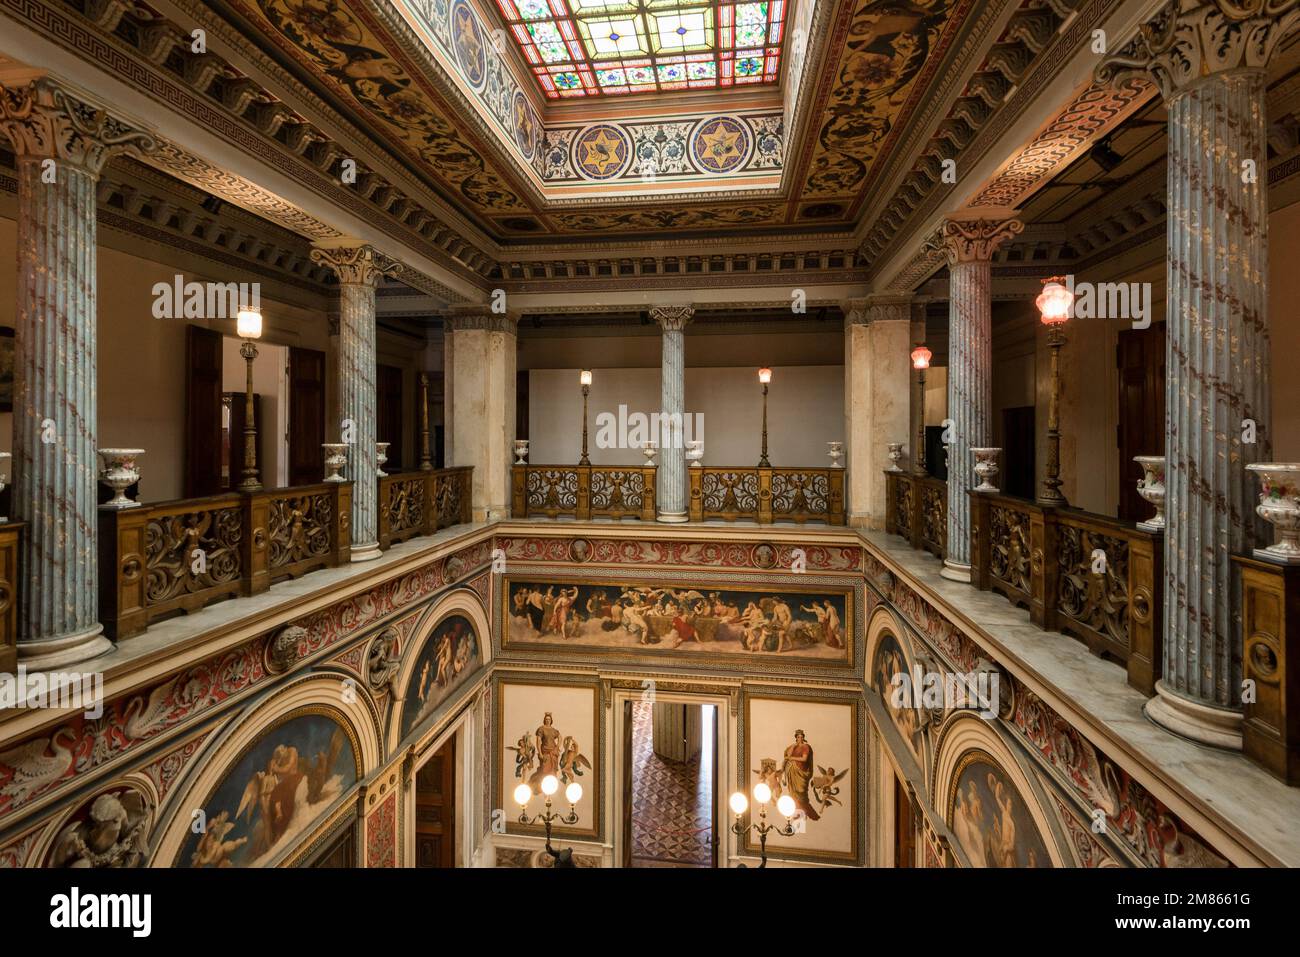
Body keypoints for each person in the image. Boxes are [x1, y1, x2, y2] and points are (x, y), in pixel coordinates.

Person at [782, 730, 819, 821]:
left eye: (801, 736)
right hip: (792, 772)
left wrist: (791, 758)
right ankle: (796, 811)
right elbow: (788, 755)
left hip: (801, 772)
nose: (800, 738)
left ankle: (804, 811)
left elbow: (804, 759)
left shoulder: (806, 747)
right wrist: (794, 746)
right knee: (793, 792)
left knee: (801, 791)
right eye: (798, 737)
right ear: (796, 738)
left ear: (803, 737)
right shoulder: (793, 746)